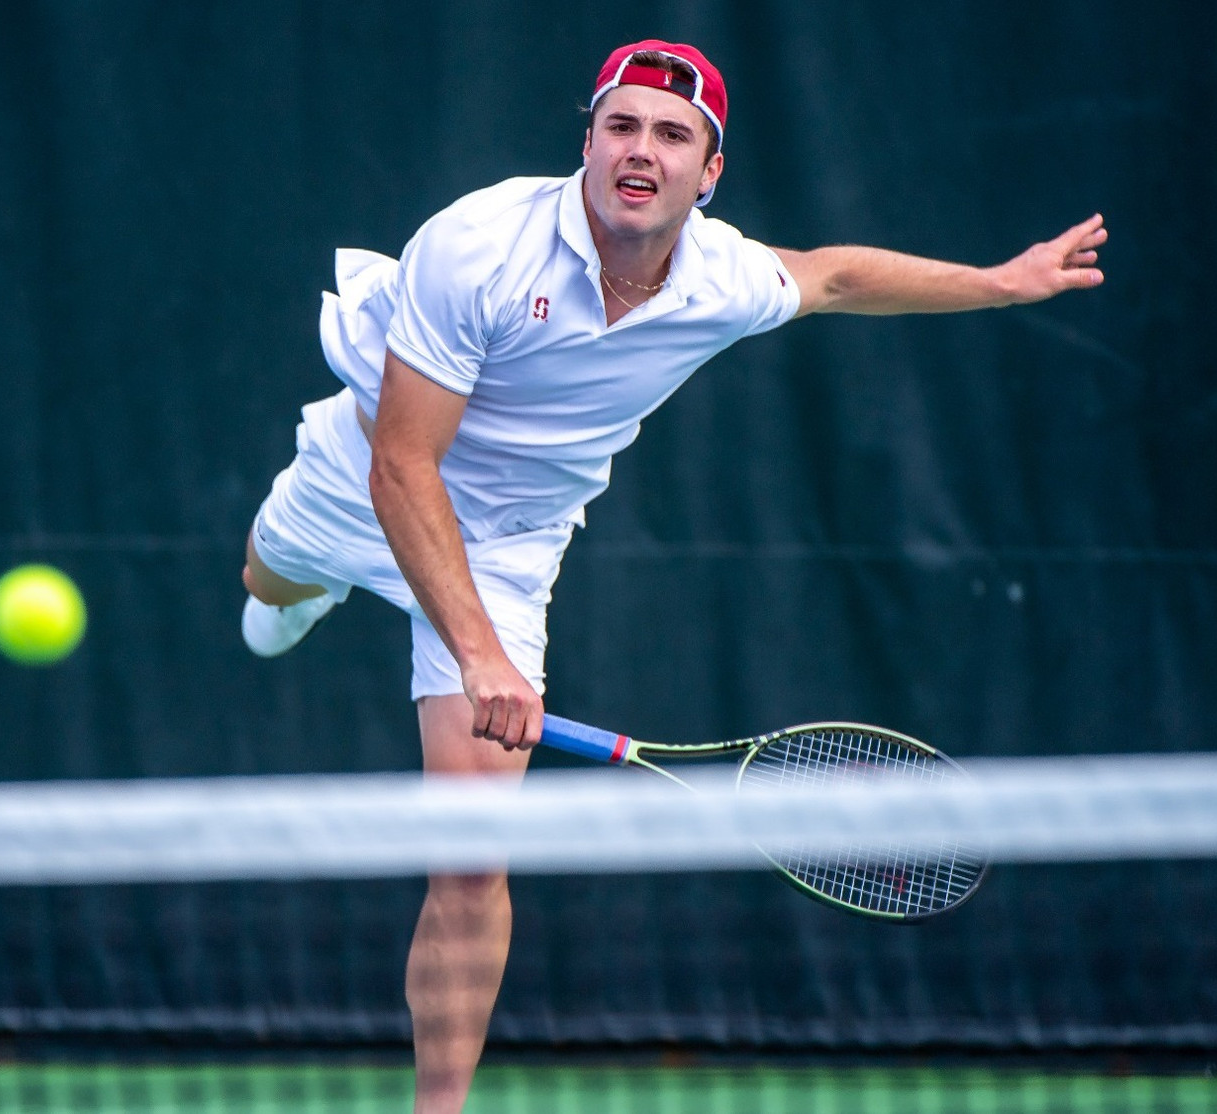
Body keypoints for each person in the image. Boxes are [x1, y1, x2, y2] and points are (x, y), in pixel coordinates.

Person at [239, 39, 1107, 1113]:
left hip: (509, 543)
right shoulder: (477, 247)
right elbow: (402, 467)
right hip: (368, 471)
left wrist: (1002, 284)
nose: (640, 150)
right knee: (268, 586)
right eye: (621, 125)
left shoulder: (722, 278)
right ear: (589, 141)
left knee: (469, 855)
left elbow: (835, 275)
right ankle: (299, 593)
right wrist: (478, 658)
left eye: (670, 134)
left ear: (709, 172)